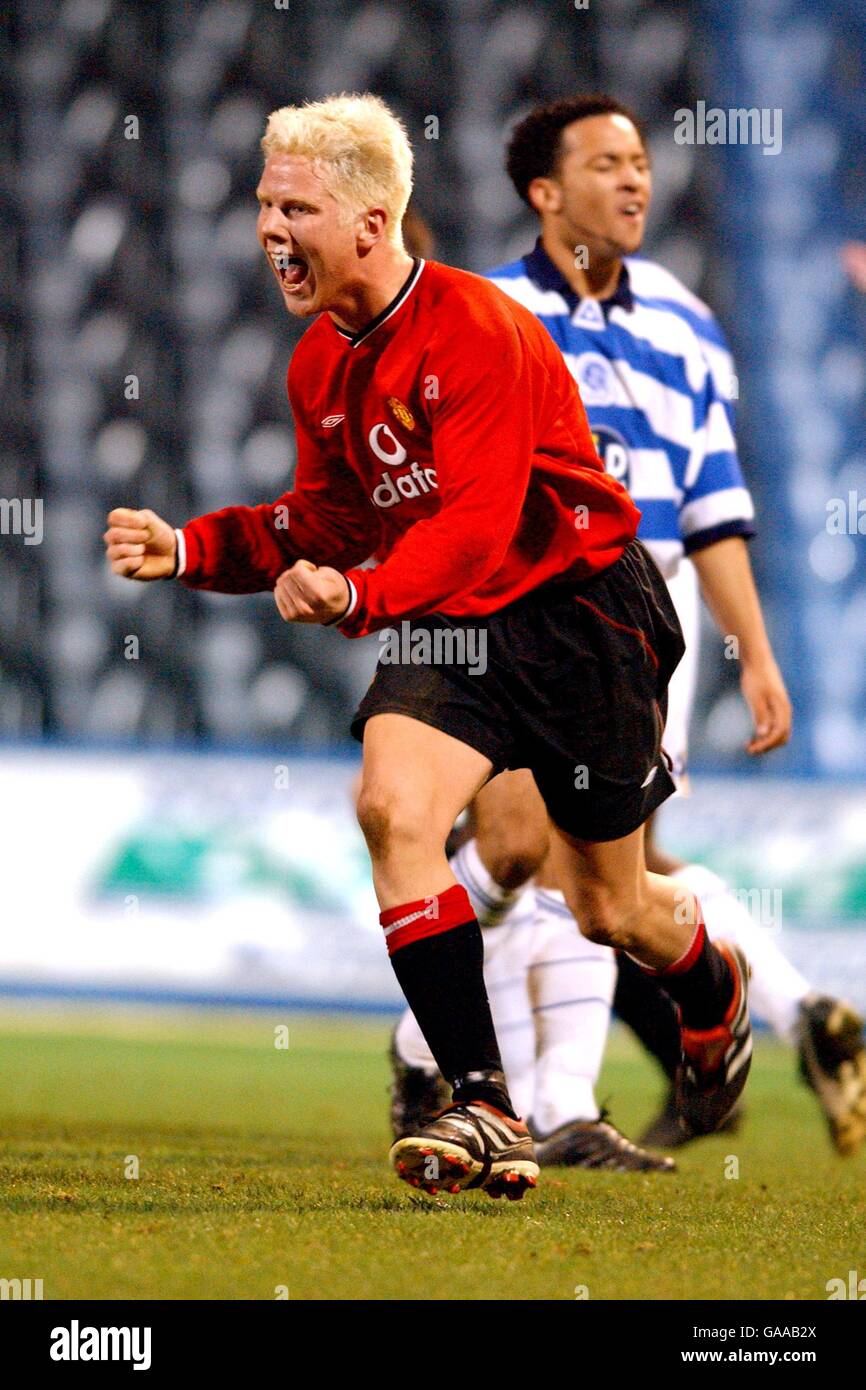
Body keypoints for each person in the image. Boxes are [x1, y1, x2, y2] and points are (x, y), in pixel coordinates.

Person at [103, 92, 752, 1202]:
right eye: (263, 204)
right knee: (394, 808)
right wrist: (194, 549)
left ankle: (710, 978)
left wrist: (357, 592)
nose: (267, 229)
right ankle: (484, 1099)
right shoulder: (320, 364)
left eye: (292, 206)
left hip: (581, 613)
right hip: (459, 620)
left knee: (607, 906)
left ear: (369, 220)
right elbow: (324, 517)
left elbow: (473, 525)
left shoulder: (478, 329)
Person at [393, 94, 866, 1164]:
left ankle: (539, 1097)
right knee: (527, 850)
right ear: (544, 193)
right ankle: (472, 1064)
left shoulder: (684, 321)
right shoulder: (490, 311)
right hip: (515, 600)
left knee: (599, 867)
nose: (635, 180)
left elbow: (712, 508)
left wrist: (752, 654)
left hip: (645, 613)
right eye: (605, 163)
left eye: (641, 162)